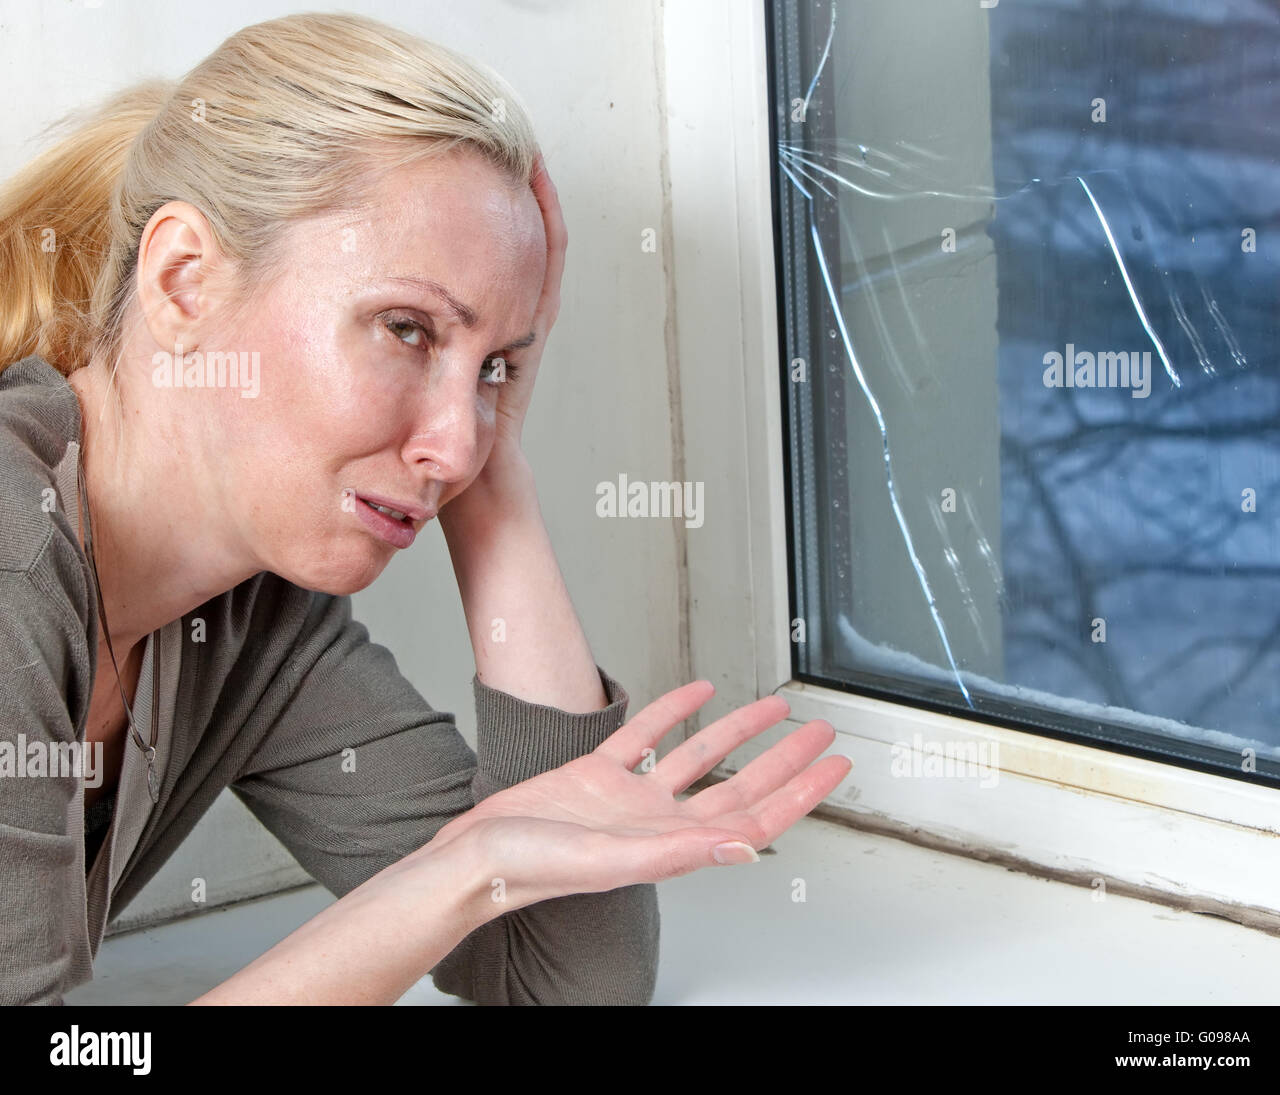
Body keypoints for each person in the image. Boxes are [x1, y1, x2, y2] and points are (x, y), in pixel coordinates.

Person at [0, 11, 850, 1006]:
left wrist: (493, 481)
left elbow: (570, 980)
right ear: (185, 281)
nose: (453, 441)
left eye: (495, 366)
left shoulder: (245, 617)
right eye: (404, 328)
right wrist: (456, 870)